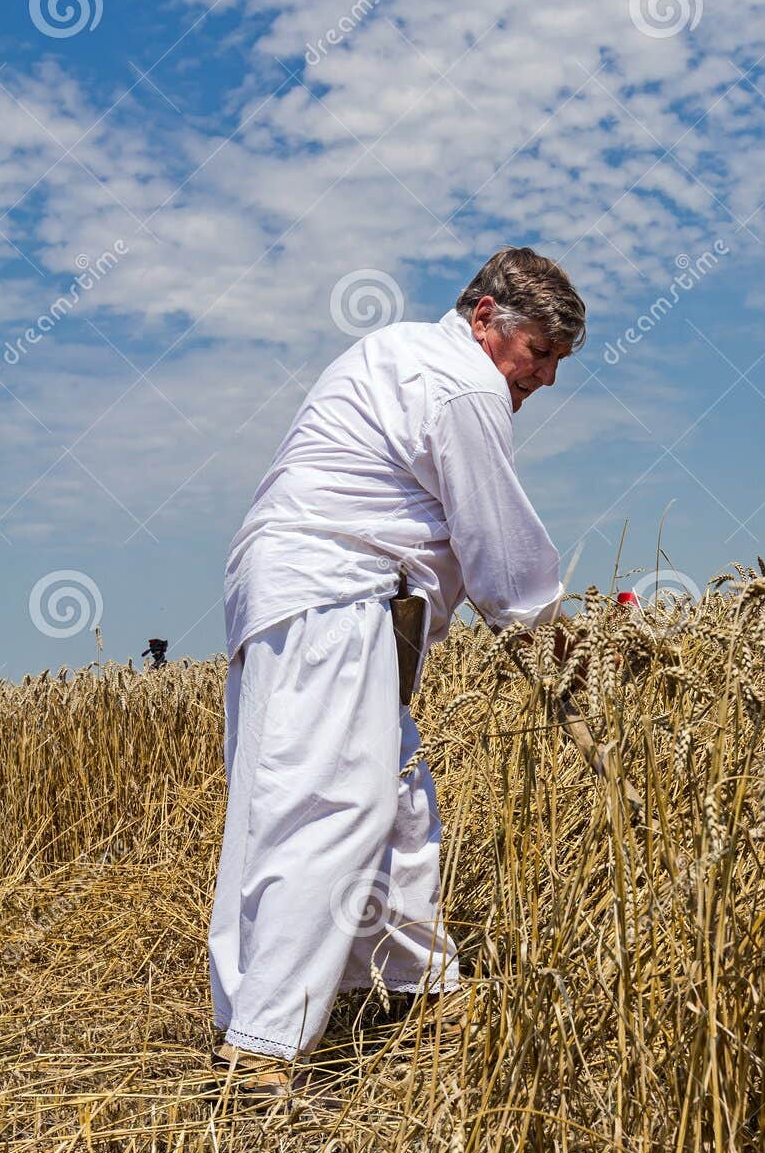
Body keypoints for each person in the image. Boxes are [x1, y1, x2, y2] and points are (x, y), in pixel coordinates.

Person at [207, 246, 587, 1102]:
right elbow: (497, 544)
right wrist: (553, 644)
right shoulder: (463, 385)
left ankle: (421, 991)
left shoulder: (400, 352)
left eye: (558, 360)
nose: (546, 378)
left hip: (304, 594)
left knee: (396, 799)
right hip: (335, 594)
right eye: (540, 353)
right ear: (485, 318)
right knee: (327, 806)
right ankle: (260, 1045)